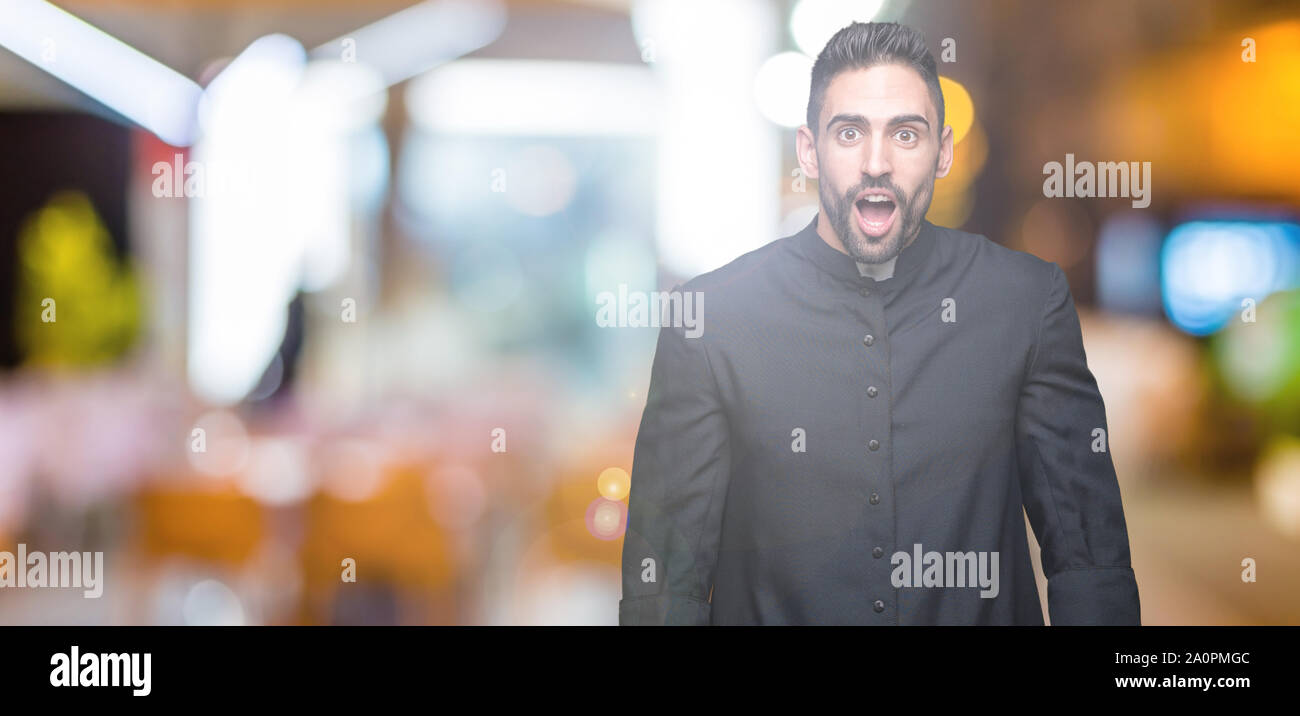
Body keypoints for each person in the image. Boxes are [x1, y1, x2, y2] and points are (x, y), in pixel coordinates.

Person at [618, 21, 1140, 625]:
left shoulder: (1026, 302)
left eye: (905, 134)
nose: (876, 163)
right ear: (809, 150)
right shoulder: (709, 319)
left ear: (943, 151)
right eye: (849, 133)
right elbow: (666, 583)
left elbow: (1089, 557)